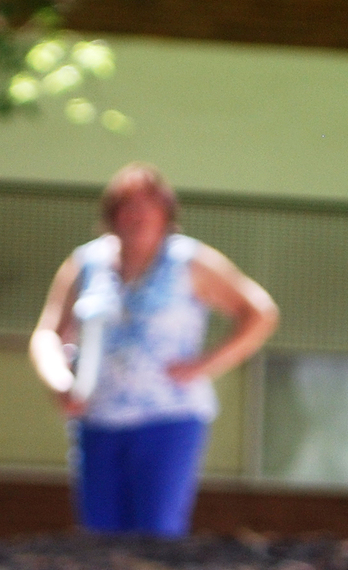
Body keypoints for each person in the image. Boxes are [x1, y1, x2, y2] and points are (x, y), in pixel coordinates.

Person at [29, 163, 278, 537]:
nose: (137, 216)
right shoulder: (86, 263)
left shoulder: (191, 262)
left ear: (166, 214)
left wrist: (205, 364)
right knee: (99, 535)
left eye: (148, 207)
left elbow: (259, 313)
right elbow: (47, 333)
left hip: (168, 420)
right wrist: (60, 380)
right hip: (99, 419)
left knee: (157, 533)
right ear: (112, 215)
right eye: (127, 207)